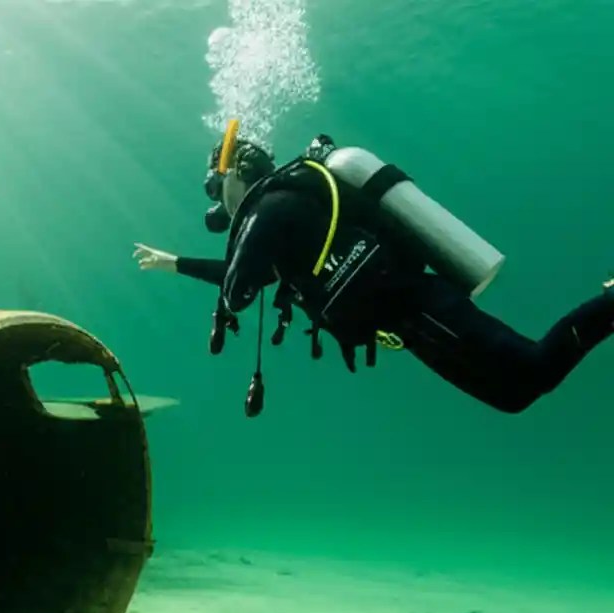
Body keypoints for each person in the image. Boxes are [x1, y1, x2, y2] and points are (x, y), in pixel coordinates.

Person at [133, 124, 614, 415]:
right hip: (406, 321)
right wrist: (174, 263)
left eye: (218, 190)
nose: (222, 206)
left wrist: (239, 236)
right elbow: (252, 278)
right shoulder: (288, 216)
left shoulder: (270, 210)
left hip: (416, 304)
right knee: (514, 397)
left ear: (237, 172)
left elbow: (239, 290)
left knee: (532, 369)